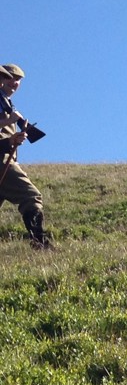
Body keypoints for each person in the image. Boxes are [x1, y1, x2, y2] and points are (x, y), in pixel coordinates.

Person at [0, 63, 52, 248]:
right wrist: (10, 136)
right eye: (8, 78)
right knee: (31, 197)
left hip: (5, 157)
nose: (13, 82)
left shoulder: (5, 102)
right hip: (1, 161)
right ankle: (40, 243)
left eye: (18, 80)